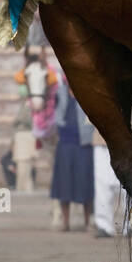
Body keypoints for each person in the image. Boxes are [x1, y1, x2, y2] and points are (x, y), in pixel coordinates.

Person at [49, 75, 94, 231]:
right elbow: (55, 114)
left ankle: (88, 221)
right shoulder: (60, 93)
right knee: (64, 183)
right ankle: (65, 222)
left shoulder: (87, 92)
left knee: (85, 182)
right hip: (65, 143)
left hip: (84, 144)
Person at [91, 127, 121, 238]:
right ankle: (104, 226)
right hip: (102, 138)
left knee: (128, 186)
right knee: (102, 185)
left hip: (127, 139)